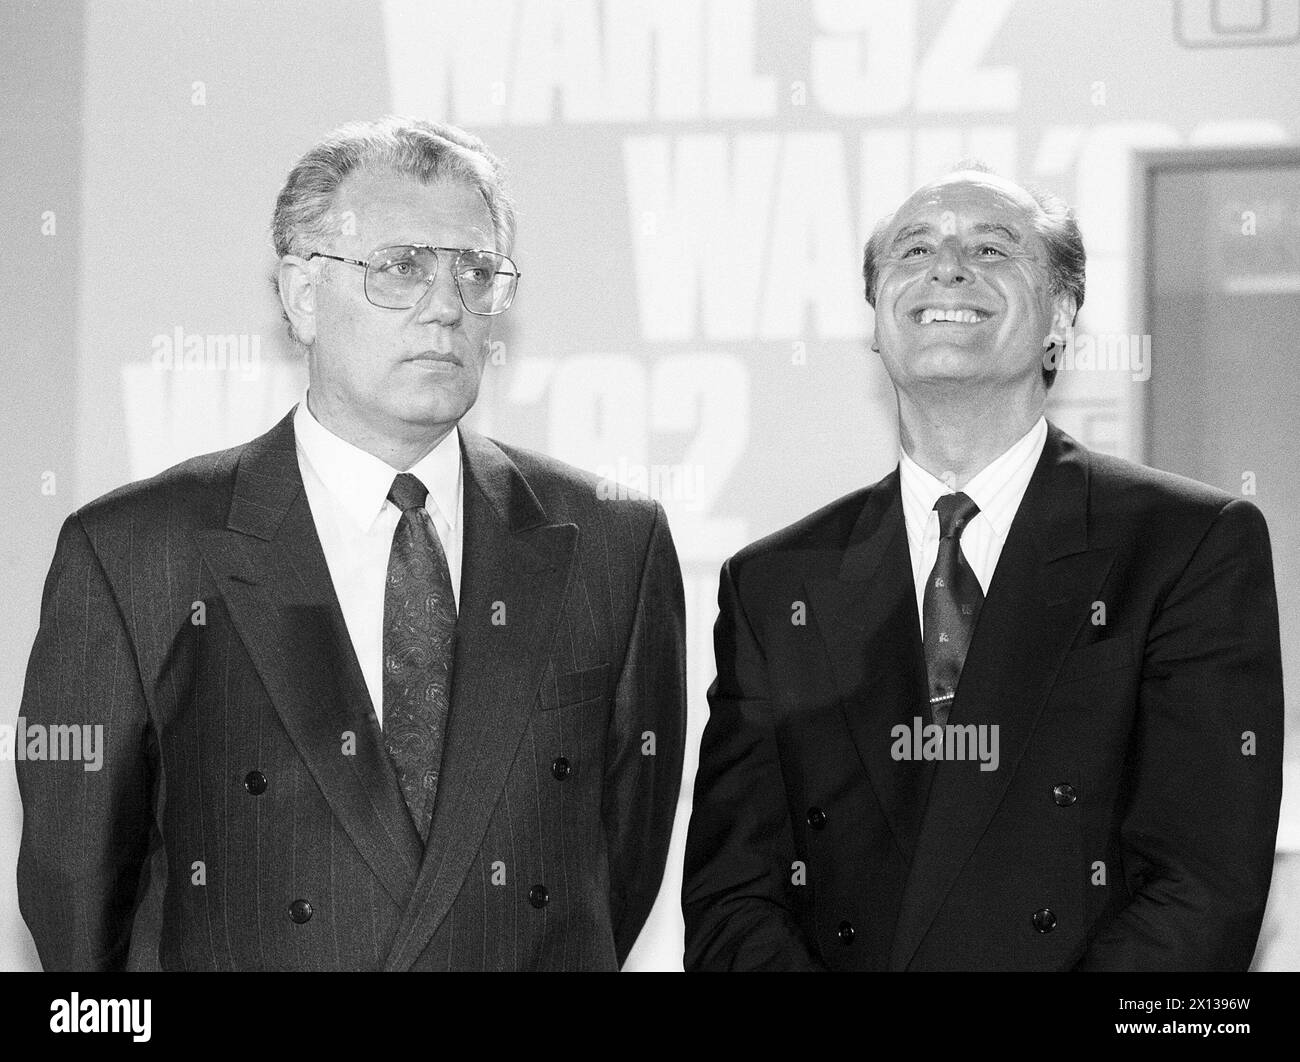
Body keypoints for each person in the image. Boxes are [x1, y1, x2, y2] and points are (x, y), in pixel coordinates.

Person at [18, 116, 686, 971]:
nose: (447, 305)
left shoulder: (610, 542)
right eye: (401, 268)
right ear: (301, 295)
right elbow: (77, 894)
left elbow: (615, 865)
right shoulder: (136, 552)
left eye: (476, 272)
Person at [682, 165, 1283, 971]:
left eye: (994, 248)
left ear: (1061, 318)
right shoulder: (776, 583)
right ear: (875, 320)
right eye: (914, 248)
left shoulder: (1186, 546)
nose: (948, 268)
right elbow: (732, 899)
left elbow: (1203, 887)